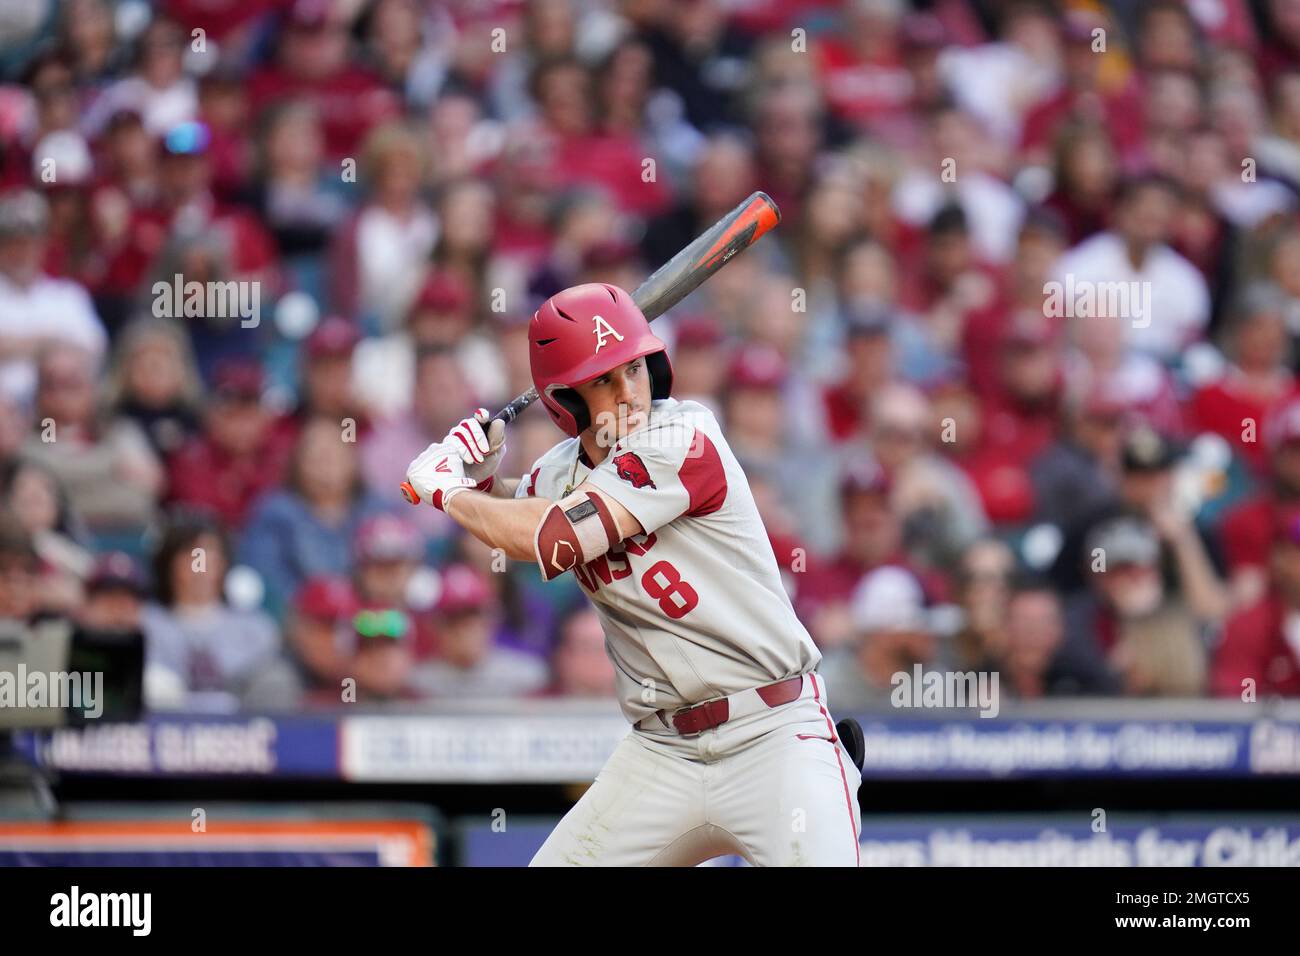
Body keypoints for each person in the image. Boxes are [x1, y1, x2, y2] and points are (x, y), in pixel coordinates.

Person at [404, 283, 863, 866]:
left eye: (635, 370)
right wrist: (483, 482)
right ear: (564, 401)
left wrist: (447, 492)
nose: (629, 394)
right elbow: (518, 524)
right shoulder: (556, 472)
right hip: (664, 751)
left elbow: (553, 538)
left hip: (772, 734)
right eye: (603, 380)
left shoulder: (682, 439)